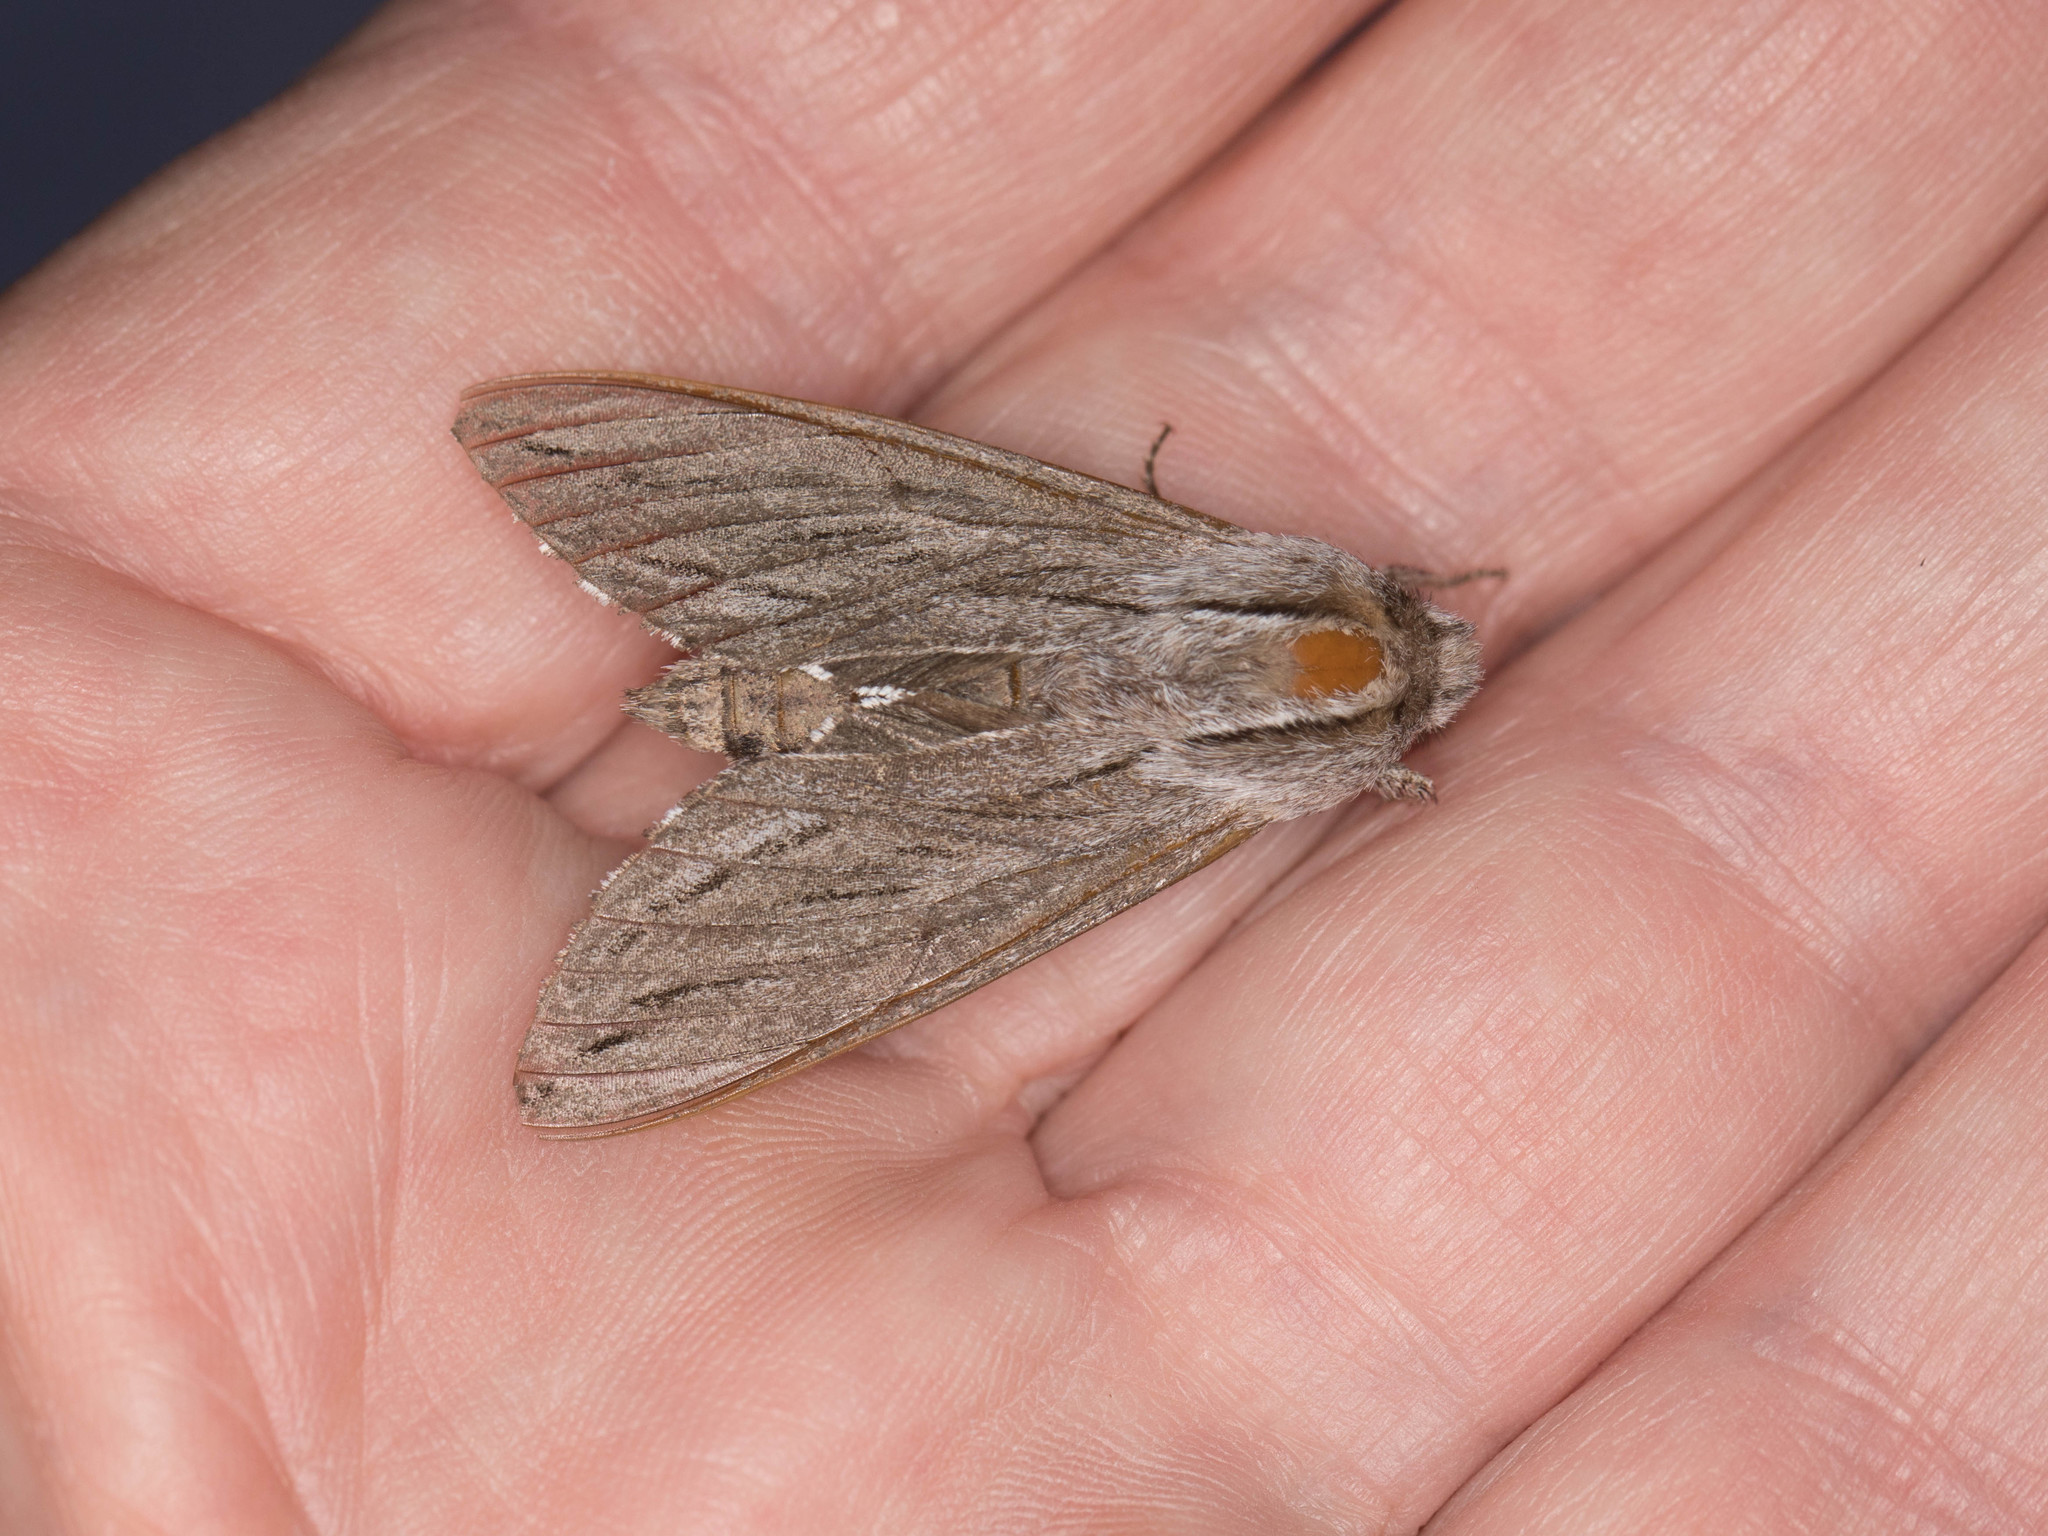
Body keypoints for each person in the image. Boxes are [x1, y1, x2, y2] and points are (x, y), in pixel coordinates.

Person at [4, 1, 2047, 1528]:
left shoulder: (1186, 583)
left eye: (1400, 657)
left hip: (966, 592)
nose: (1410, 644)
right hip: (1026, 770)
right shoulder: (1247, 767)